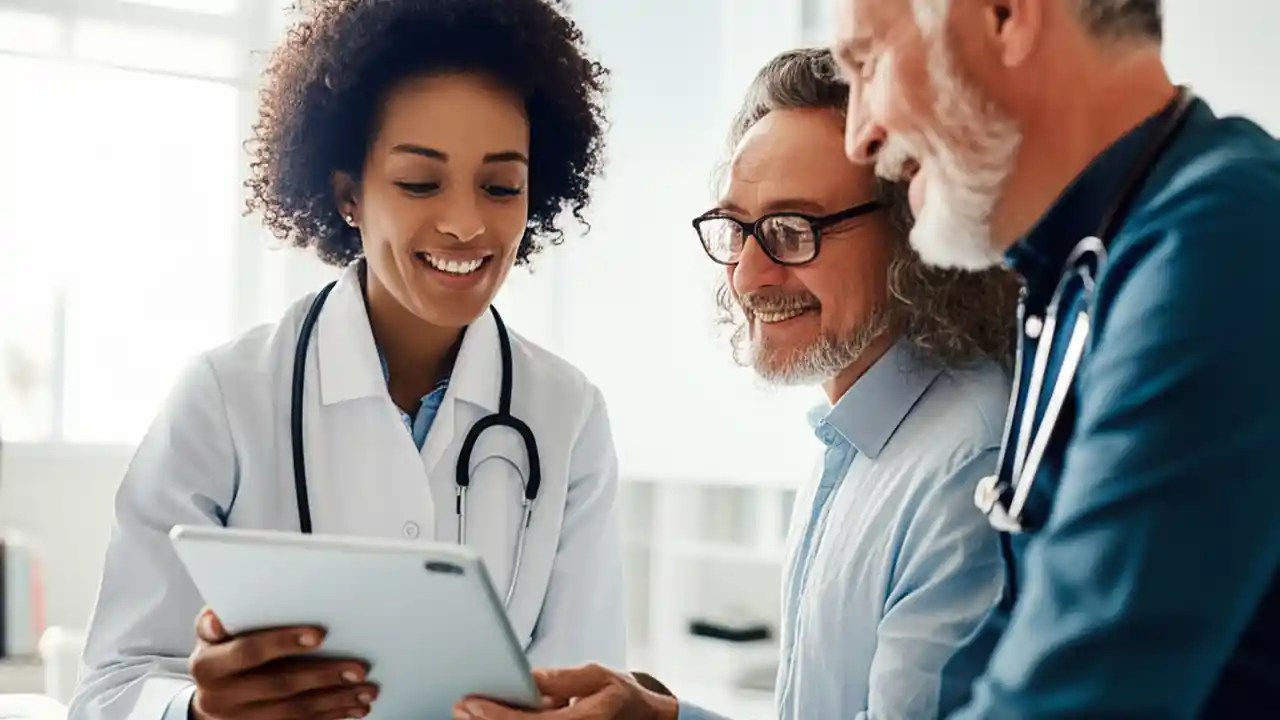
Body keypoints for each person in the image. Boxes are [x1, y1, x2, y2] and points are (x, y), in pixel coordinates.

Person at [69, 1, 624, 719]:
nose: (464, 222)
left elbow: (588, 685)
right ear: (348, 195)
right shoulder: (226, 395)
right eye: (419, 183)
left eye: (500, 186)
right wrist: (202, 714)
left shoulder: (568, 417)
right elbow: (108, 693)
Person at [453, 47, 1020, 720]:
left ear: (916, 232)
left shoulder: (966, 471)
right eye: (739, 229)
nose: (748, 277)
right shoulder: (859, 445)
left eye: (791, 229)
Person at [829, 0, 1280, 716]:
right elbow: (993, 673)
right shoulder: (1068, 272)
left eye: (867, 62)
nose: (860, 136)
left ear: (1006, 15)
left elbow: (1077, 694)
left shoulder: (1223, 239)